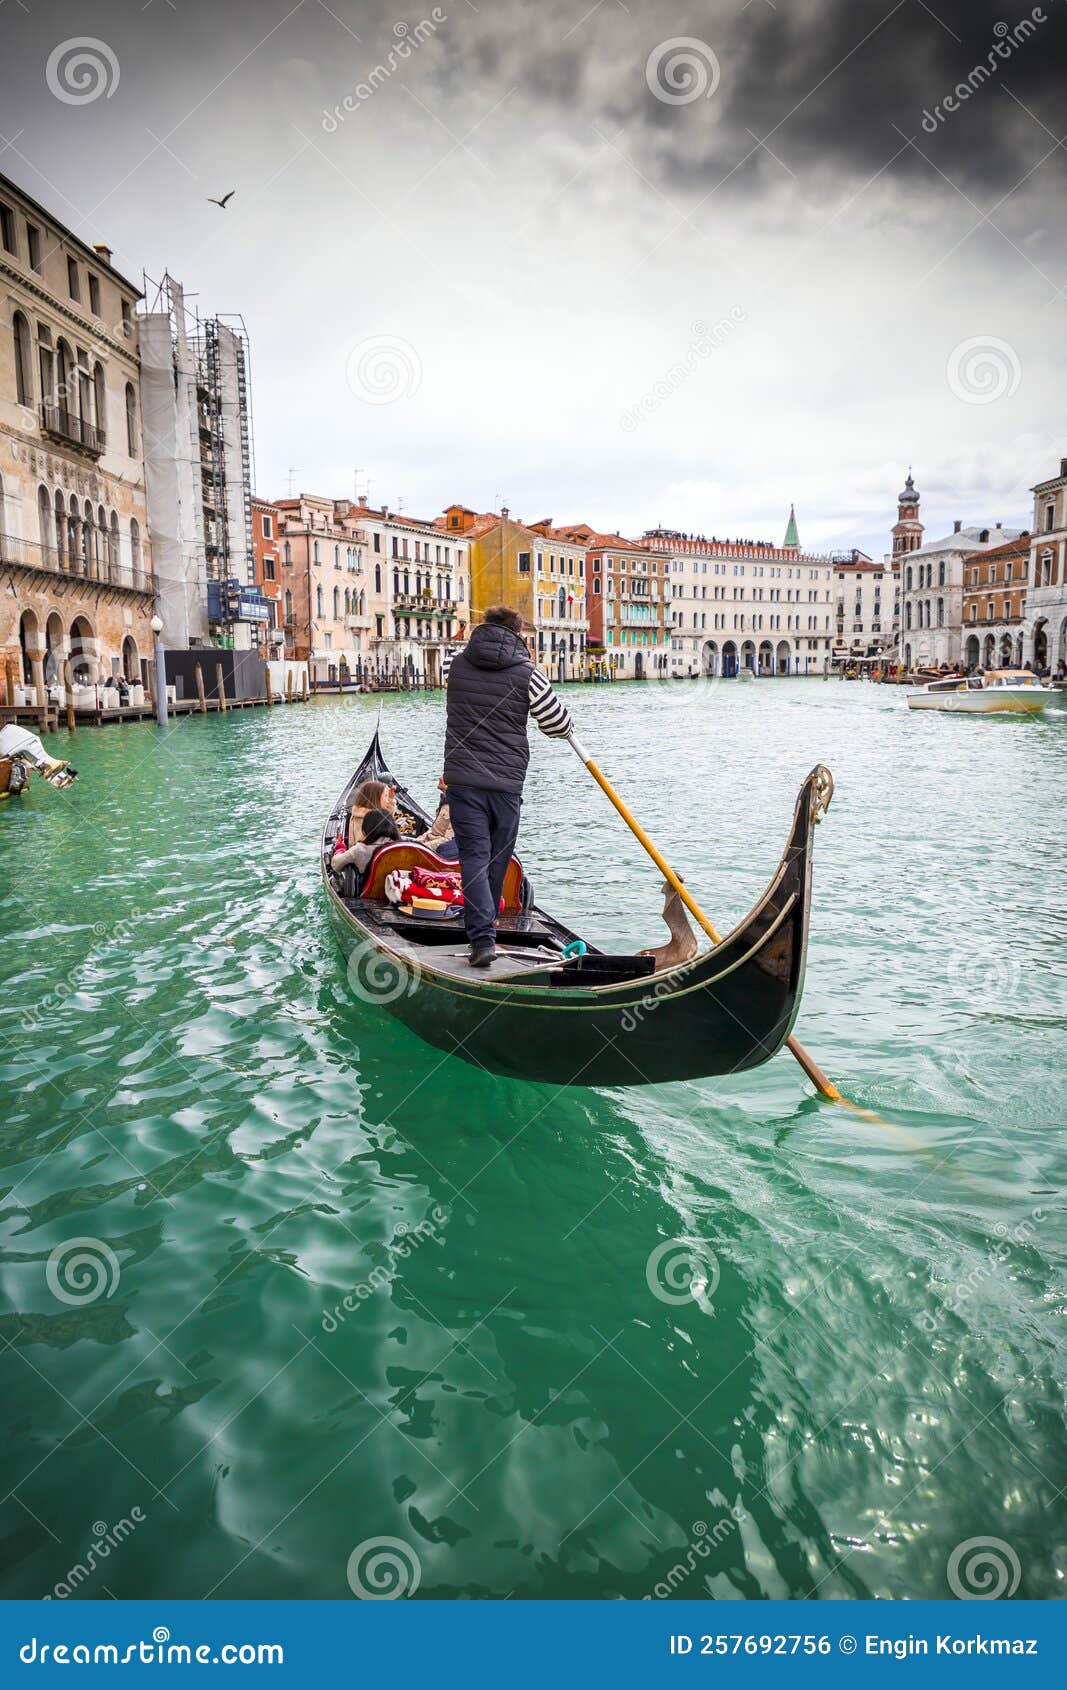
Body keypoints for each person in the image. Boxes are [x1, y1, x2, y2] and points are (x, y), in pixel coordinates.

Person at [443, 605, 573, 966]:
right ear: (518, 634)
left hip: (463, 778)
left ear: (482, 628)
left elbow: (449, 686)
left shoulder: (453, 663)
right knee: (497, 859)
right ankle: (487, 932)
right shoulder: (529, 674)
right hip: (505, 783)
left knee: (473, 857)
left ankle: (481, 940)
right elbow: (556, 723)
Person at [332, 806, 400, 874]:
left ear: (366, 828)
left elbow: (335, 865)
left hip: (371, 884)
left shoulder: (359, 850)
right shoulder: (403, 844)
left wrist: (340, 849)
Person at [345, 778, 396, 845]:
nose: (387, 801)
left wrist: (390, 799)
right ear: (375, 798)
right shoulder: (369, 819)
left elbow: (387, 816)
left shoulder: (360, 812)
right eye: (385, 796)